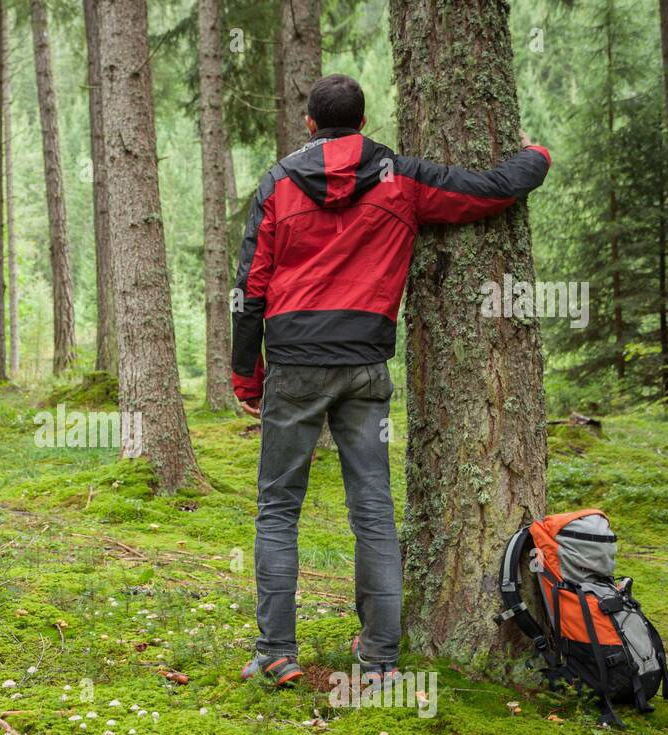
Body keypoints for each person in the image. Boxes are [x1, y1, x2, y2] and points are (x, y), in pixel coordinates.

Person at [233, 74, 551, 688]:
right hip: (364, 365)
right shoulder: (398, 176)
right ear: (362, 121)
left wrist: (247, 376)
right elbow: (489, 190)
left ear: (309, 124)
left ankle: (275, 652)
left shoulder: (278, 183)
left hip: (294, 364)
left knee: (277, 510)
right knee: (373, 510)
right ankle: (379, 659)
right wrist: (534, 157)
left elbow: (249, 288)